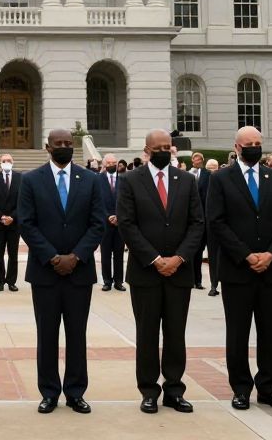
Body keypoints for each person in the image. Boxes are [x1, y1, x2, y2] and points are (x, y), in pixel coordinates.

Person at [206, 127, 272, 411]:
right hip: (236, 270)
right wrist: (246, 255)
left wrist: (271, 254)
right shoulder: (220, 178)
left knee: (270, 332)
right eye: (249, 144)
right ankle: (241, 388)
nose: (254, 147)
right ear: (237, 147)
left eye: (258, 143)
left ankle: (269, 388)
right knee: (238, 332)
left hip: (270, 270)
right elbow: (216, 221)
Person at [116, 128, 204, 415]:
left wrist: (179, 258)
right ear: (147, 151)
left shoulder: (187, 180)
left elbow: (197, 223)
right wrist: (155, 259)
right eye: (159, 148)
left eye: (169, 147)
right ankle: (149, 391)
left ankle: (175, 390)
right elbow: (127, 225)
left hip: (179, 271)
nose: (165, 151)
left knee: (176, 333)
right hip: (145, 272)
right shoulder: (130, 180)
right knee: (148, 333)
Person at [18, 129, 105, 414]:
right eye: (59, 144)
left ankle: (76, 392)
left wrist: (76, 256)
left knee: (77, 334)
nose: (65, 147)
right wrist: (53, 257)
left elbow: (98, 224)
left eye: (69, 143)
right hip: (45, 271)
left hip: (79, 272)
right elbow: (26, 223)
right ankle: (49, 392)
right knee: (47, 334)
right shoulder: (30, 180)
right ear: (48, 147)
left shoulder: (91, 180)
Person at [0, 153, 21, 292]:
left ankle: (12, 281)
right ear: (0, 163)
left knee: (13, 254)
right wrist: (1, 217)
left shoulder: (21, 178)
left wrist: (12, 217)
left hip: (14, 223)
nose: (6, 162)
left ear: (13, 162)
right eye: (4, 160)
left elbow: (22, 201)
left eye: (9, 160)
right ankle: (0, 281)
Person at [98, 153, 125, 292]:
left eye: (114, 162)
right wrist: (108, 216)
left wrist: (119, 216)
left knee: (119, 254)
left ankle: (119, 281)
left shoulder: (125, 179)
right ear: (104, 164)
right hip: (105, 223)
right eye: (109, 163)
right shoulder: (98, 179)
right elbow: (97, 202)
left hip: (121, 224)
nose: (112, 165)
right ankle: (107, 281)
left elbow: (126, 200)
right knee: (106, 254)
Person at [190, 152, 212, 291]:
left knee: (199, 251)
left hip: (203, 217)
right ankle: (191, 279)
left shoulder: (207, 174)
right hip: (190, 218)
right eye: (193, 159)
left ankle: (198, 281)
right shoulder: (187, 174)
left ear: (202, 160)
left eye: (197, 158)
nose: (195, 160)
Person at [204, 158, 222, 296]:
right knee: (213, 255)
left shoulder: (224, 179)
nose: (212, 170)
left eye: (214, 167)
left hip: (225, 224)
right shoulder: (202, 180)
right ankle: (213, 284)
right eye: (209, 168)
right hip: (210, 223)